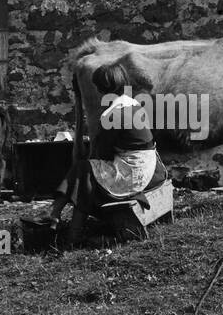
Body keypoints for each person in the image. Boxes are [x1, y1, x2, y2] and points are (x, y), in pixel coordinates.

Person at [32, 63, 160, 245]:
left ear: (101, 88)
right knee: (84, 174)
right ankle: (62, 223)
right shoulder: (132, 104)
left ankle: (59, 218)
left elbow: (104, 153)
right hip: (145, 165)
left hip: (132, 172)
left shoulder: (113, 114)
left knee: (83, 171)